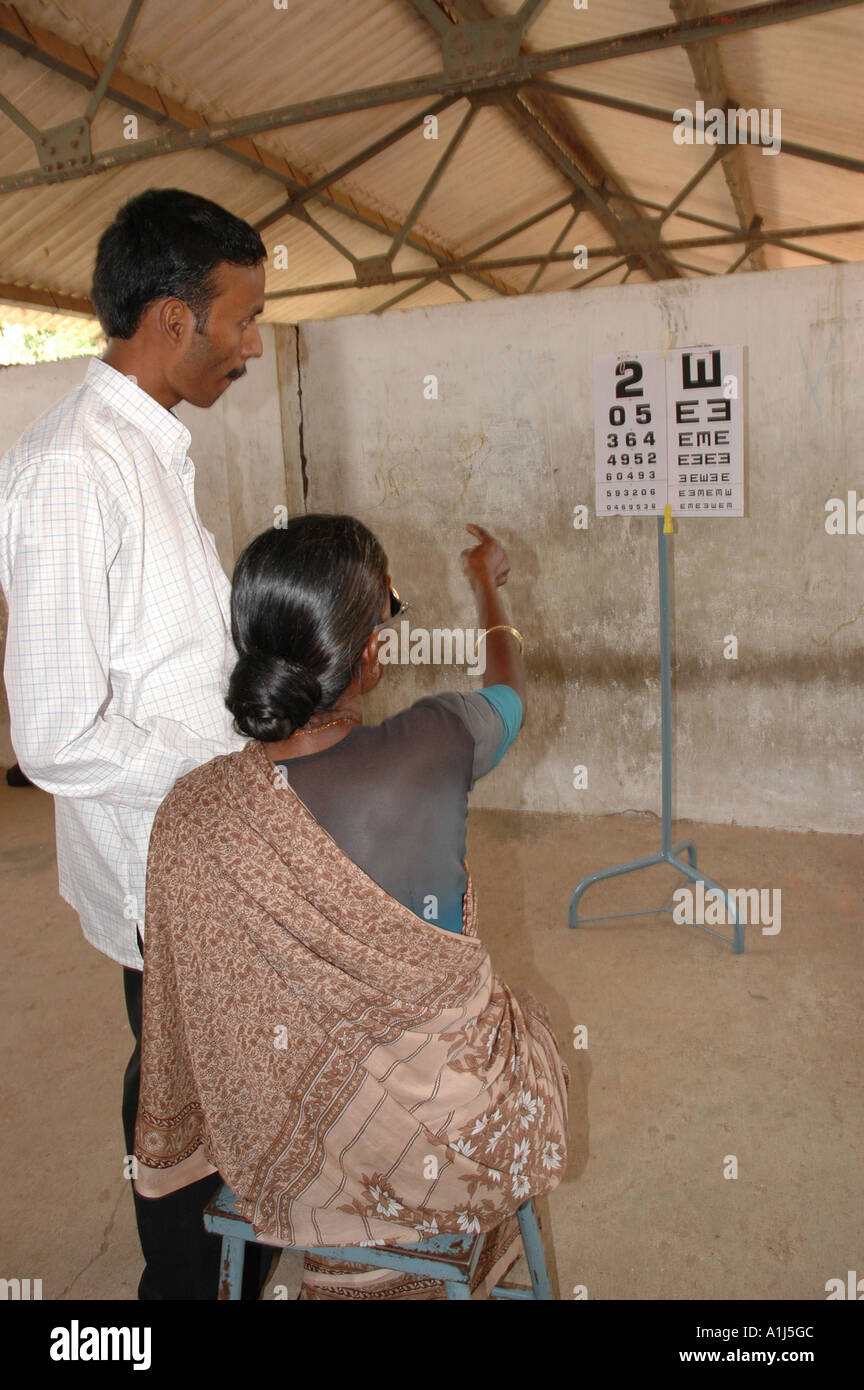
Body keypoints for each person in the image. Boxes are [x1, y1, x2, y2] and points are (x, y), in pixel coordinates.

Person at [134, 514, 569, 1300]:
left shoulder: (192, 814)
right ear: (370, 651)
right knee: (530, 1037)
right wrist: (486, 588)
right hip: (447, 1137)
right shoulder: (440, 741)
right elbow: (511, 689)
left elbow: (176, 1006)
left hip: (278, 1145)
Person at [0, 187, 274, 1299]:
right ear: (172, 319)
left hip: (204, 842)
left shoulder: (153, 451)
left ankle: (221, 1264)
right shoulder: (74, 468)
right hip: (158, 862)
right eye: (241, 319)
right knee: (178, 1096)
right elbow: (57, 736)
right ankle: (180, 1291)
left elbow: (167, 660)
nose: (252, 345)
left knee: (198, 1079)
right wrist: (216, 766)